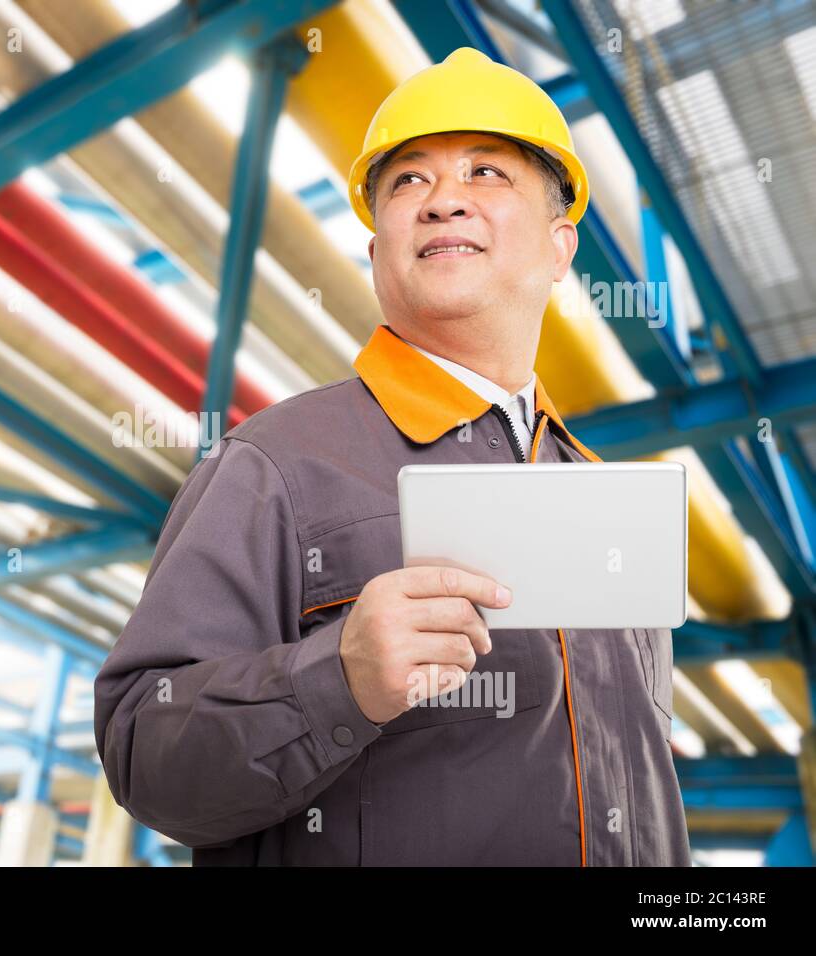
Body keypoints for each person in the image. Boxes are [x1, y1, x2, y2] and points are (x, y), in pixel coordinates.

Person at [94, 47, 690, 866]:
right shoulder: (274, 465)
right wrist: (336, 679)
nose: (444, 199)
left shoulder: (607, 508)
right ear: (377, 258)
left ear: (560, 248)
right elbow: (142, 751)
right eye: (408, 182)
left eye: (487, 172)